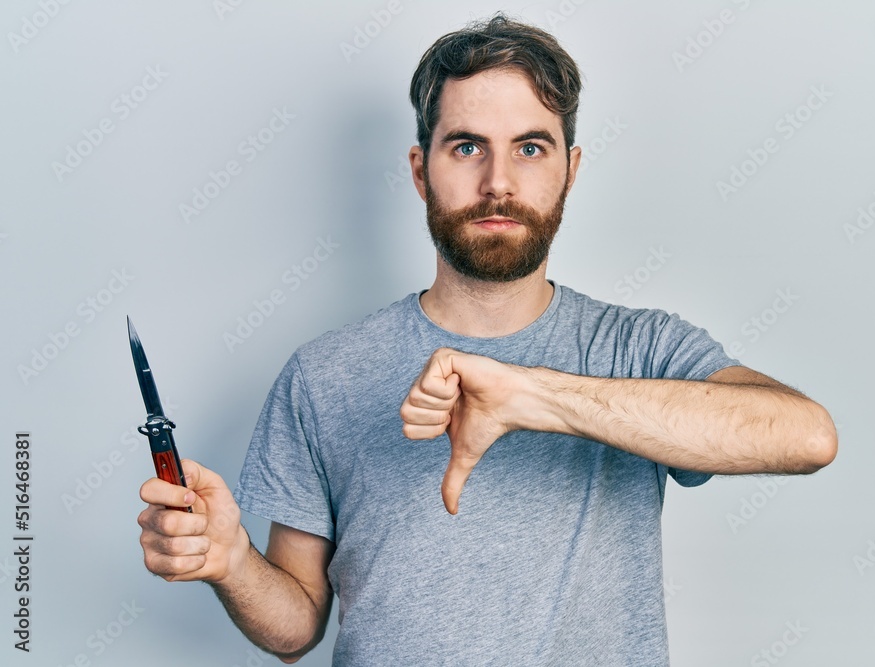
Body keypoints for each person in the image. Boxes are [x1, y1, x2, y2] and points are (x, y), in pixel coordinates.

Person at [138, 14, 837, 666]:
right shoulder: (325, 374)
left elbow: (806, 436)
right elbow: (296, 625)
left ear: (571, 167)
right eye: (466, 146)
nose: (498, 183)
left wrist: (527, 392)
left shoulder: (641, 349)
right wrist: (230, 560)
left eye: (530, 148)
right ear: (421, 170)